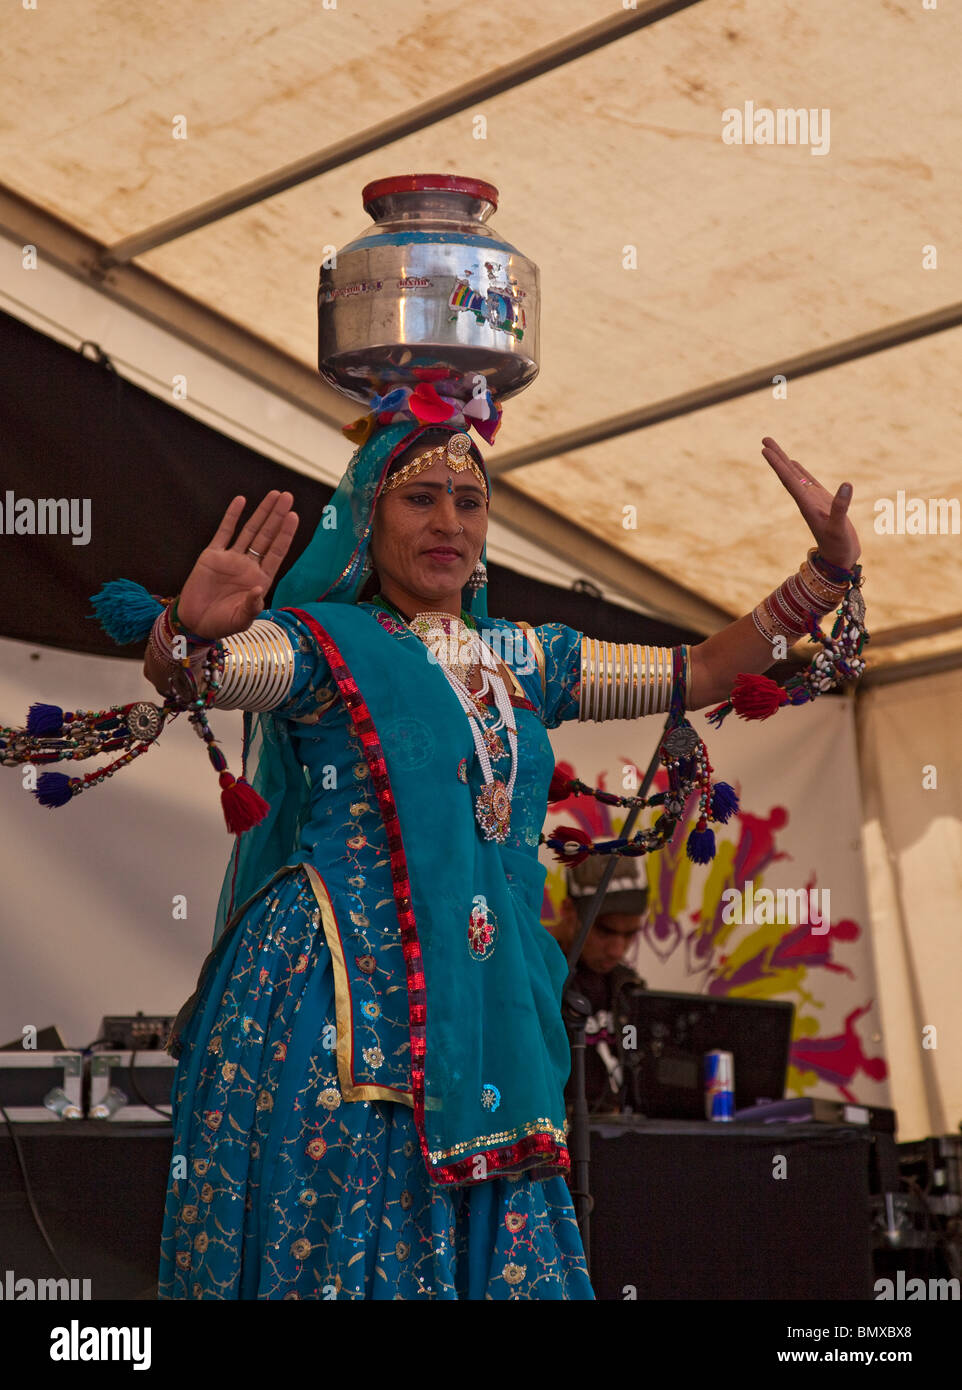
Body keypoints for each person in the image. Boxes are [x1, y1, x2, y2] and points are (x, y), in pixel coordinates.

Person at [134, 399, 860, 1300]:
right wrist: (188, 634)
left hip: (491, 1012)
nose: (448, 523)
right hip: (344, 1002)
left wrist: (826, 573)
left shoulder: (526, 657)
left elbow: (704, 670)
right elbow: (209, 675)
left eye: (469, 503)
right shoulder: (322, 645)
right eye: (421, 499)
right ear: (370, 517)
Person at [552, 852, 648, 1115]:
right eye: (605, 931)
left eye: (630, 934)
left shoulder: (627, 985)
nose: (618, 950)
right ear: (569, 912)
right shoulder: (533, 971)